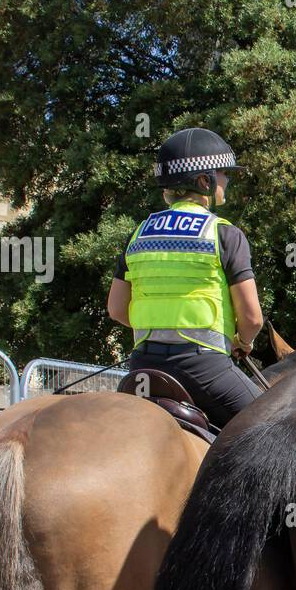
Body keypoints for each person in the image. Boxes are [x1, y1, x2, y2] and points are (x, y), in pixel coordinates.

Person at [107, 127, 265, 428]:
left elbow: (116, 309)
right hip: (204, 369)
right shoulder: (224, 233)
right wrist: (242, 340)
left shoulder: (138, 234)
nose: (227, 181)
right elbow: (252, 317)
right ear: (204, 181)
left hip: (142, 370)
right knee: (274, 426)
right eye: (223, 175)